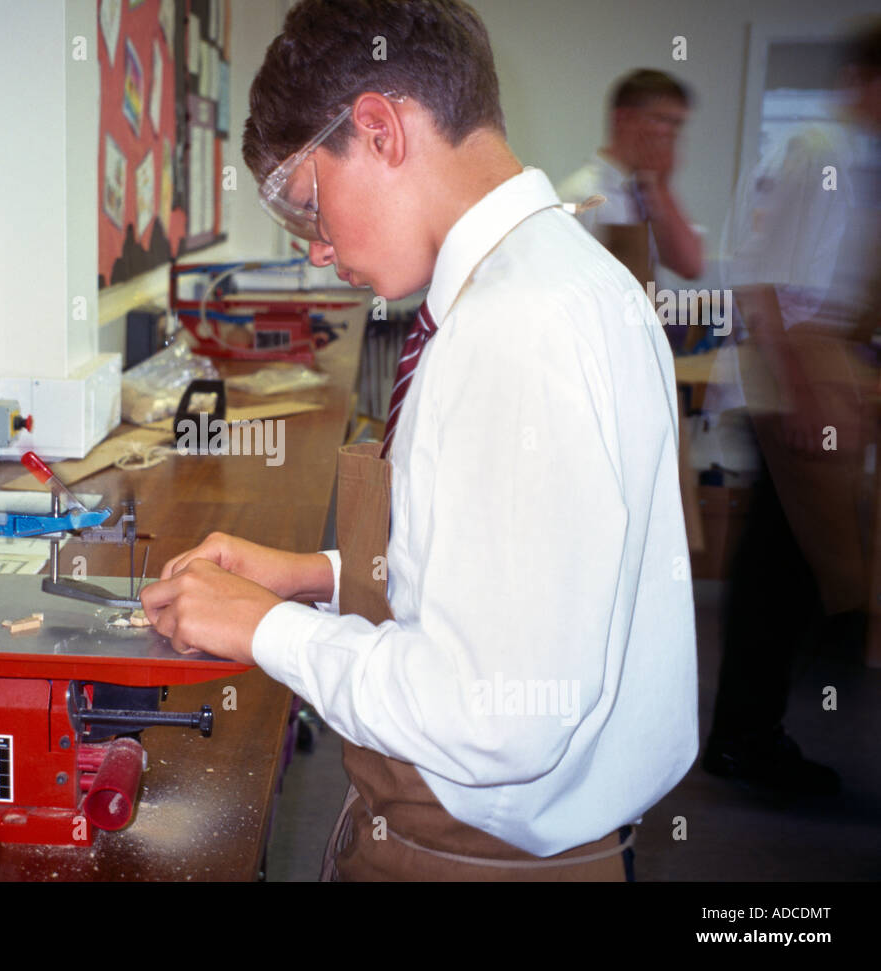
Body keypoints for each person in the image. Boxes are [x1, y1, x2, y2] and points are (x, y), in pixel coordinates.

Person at [140, 0, 697, 881]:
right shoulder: (559, 277)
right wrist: (316, 577)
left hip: (480, 856)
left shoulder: (511, 329)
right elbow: (520, 574)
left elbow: (491, 714)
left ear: (378, 129)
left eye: (310, 204)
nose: (319, 251)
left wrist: (269, 628)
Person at [703, 20, 881, 795]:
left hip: (800, 388)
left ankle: (748, 733)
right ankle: (746, 738)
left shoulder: (844, 156)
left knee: (784, 572)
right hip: (790, 395)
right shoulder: (822, 152)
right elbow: (765, 282)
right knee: (786, 578)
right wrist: (808, 395)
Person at [558, 69, 705, 287]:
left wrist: (663, 188)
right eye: (662, 120)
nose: (671, 134)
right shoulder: (580, 194)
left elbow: (690, 266)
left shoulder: (649, 193)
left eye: (678, 124)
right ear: (622, 118)